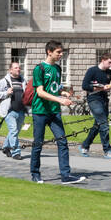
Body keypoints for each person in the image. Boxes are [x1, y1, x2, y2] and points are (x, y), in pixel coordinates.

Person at [29, 40, 85, 184]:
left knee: (62, 142)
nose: (61, 55)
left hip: (54, 112)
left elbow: (54, 87)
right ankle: (35, 173)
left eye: (61, 52)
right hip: (40, 111)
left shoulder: (58, 69)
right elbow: (40, 92)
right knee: (38, 144)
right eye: (58, 52)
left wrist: (63, 93)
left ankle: (65, 175)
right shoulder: (39, 69)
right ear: (49, 52)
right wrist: (60, 100)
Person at [79, 51, 111, 159]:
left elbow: (106, 85)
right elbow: (85, 86)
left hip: (104, 99)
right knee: (104, 124)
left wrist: (107, 88)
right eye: (109, 62)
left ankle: (84, 145)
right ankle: (107, 150)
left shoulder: (110, 73)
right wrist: (100, 88)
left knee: (98, 125)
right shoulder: (92, 71)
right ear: (103, 60)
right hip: (93, 99)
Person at [0, 61, 26, 159]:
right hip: (9, 111)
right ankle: (16, 152)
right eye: (16, 68)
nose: (18, 69)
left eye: (19, 68)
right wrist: (6, 93)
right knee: (13, 130)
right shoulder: (4, 81)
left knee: (15, 132)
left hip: (21, 111)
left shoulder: (23, 81)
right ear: (10, 70)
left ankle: (6, 147)